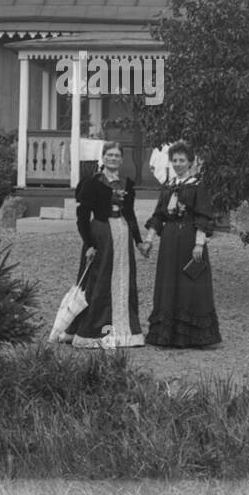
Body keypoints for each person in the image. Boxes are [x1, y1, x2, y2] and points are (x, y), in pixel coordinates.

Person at [56, 142, 147, 349]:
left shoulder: (127, 183)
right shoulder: (92, 182)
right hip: (101, 235)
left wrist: (138, 241)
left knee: (123, 280)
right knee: (97, 280)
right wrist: (88, 243)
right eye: (109, 155)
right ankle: (91, 330)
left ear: (121, 159)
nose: (113, 159)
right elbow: (82, 216)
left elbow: (130, 214)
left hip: (122, 235)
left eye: (117, 156)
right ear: (103, 157)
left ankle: (124, 330)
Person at [141, 141, 222, 348]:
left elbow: (203, 216)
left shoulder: (197, 185)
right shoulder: (168, 186)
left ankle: (195, 337)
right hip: (169, 241)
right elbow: (159, 215)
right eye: (174, 160)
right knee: (168, 283)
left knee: (190, 285)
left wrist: (199, 244)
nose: (178, 164)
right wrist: (149, 241)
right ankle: (166, 335)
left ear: (190, 162)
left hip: (189, 239)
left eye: (182, 160)